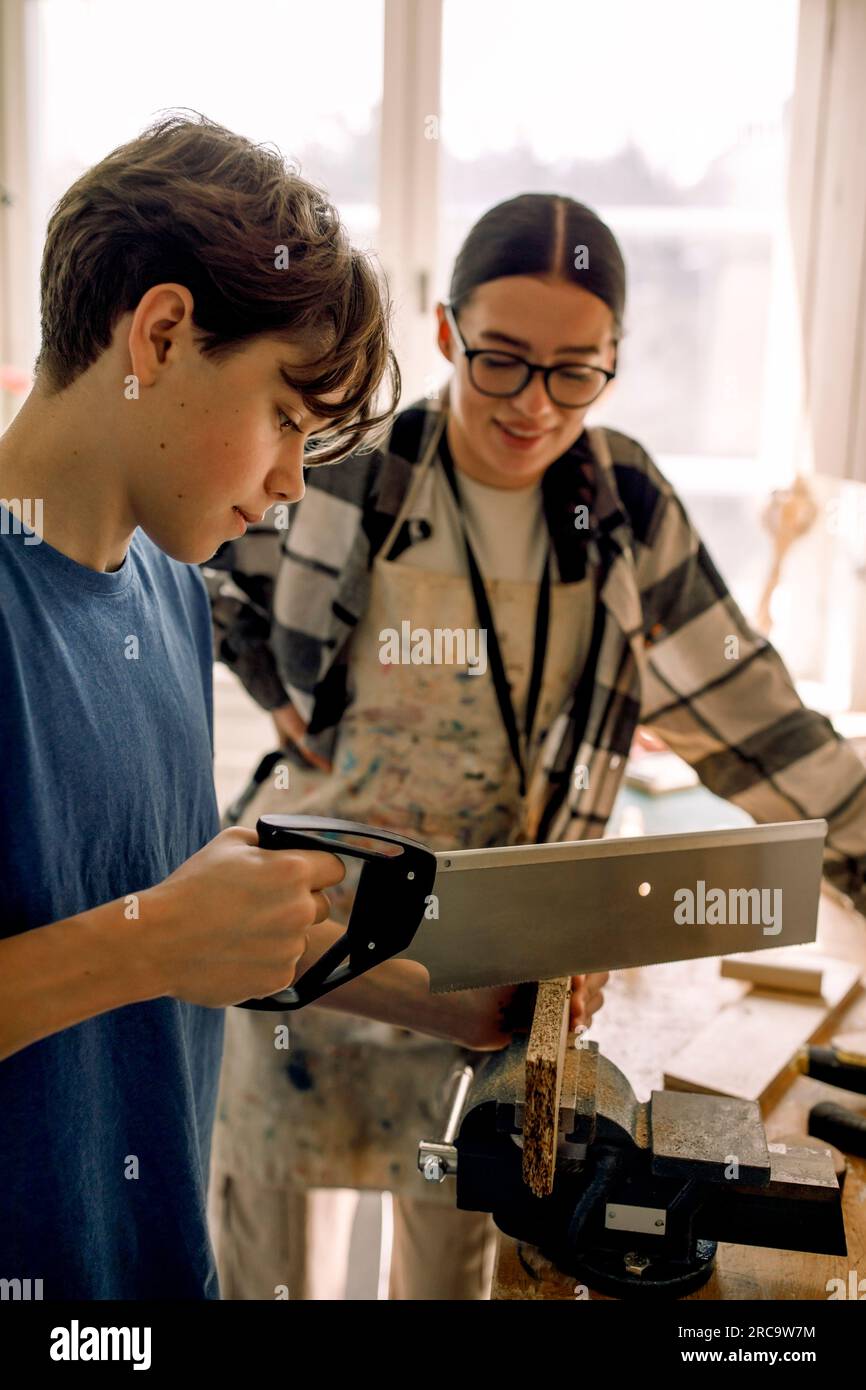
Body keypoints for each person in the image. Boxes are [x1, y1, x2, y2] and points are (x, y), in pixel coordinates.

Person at [208, 188, 866, 1302]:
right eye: (500, 360)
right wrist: (279, 691)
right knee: (264, 1269)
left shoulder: (623, 509)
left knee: (454, 1260)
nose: (532, 404)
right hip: (312, 957)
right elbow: (210, 572)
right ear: (446, 332)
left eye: (575, 371)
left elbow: (761, 726)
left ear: (613, 361)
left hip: (492, 979)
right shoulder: (350, 468)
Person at [0, 113, 528, 1301]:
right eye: (285, 418)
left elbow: (177, 919)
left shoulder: (167, 594)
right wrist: (148, 940)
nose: (290, 482)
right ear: (163, 333)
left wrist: (448, 995)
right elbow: (149, 938)